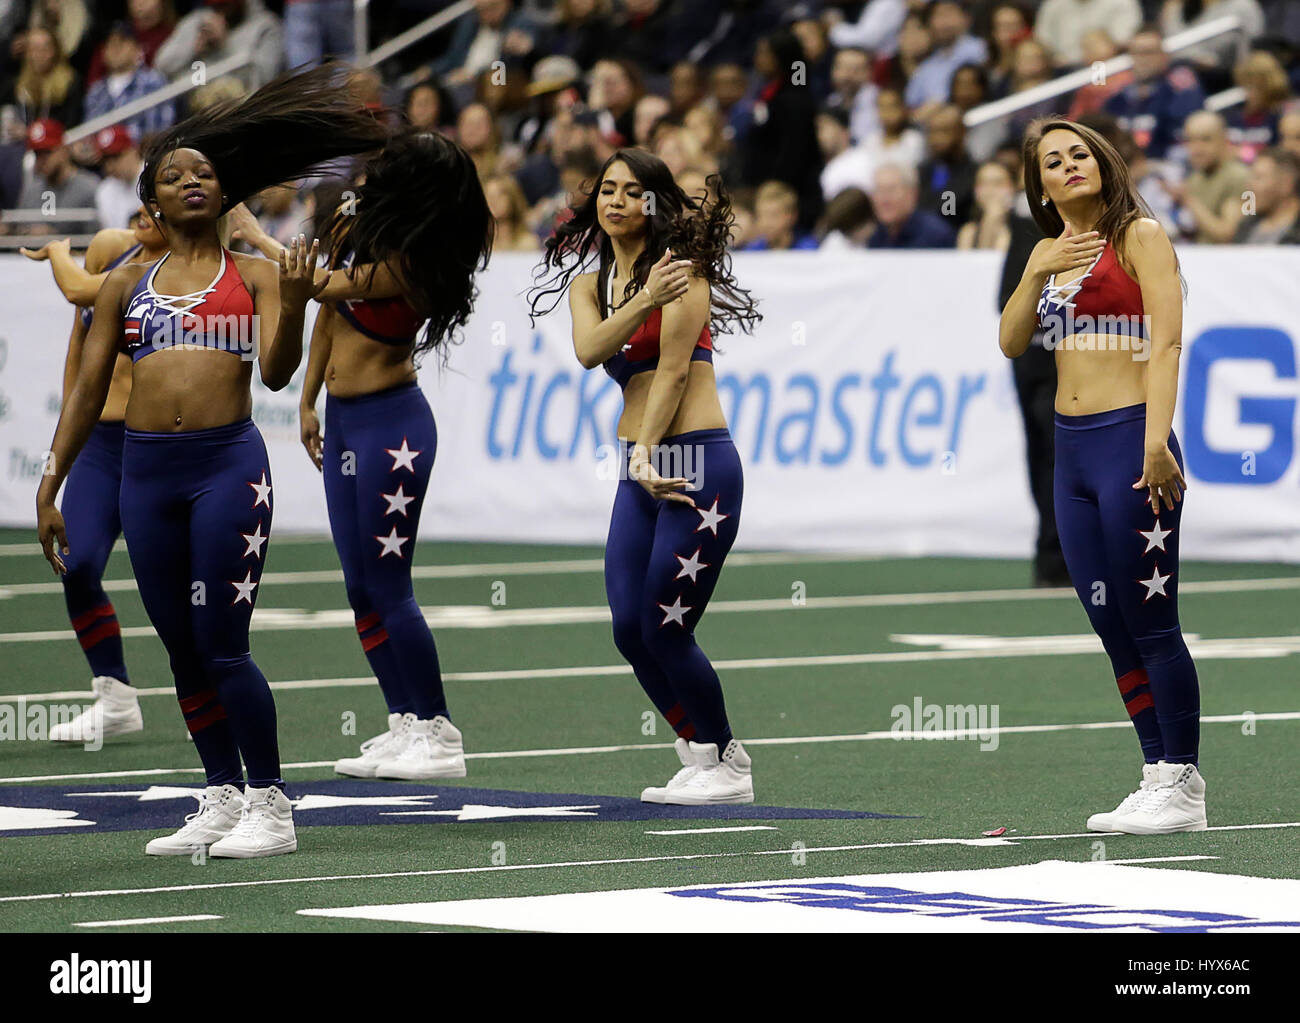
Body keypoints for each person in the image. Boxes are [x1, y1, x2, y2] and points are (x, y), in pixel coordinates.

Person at [35, 64, 388, 858]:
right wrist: (51, 482)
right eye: (173, 174)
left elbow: (273, 372)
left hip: (227, 468)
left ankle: (273, 803)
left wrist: (294, 304)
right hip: (143, 475)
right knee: (181, 647)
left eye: (203, 171)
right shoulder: (126, 283)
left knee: (223, 643)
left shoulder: (257, 274)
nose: (191, 180)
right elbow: (89, 393)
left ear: (224, 192)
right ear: (151, 202)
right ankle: (221, 793)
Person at [236, 132, 493, 781]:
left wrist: (251, 233)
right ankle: (404, 718)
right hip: (348, 422)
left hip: (393, 428)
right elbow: (328, 318)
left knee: (388, 583)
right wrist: (308, 398)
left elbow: (318, 287)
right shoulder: (364, 228)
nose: (372, 176)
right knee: (358, 585)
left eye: (390, 171)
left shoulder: (415, 259)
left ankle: (439, 730)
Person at [529, 151, 761, 804]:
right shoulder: (589, 285)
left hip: (693, 464)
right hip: (642, 467)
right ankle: (698, 749)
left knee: (664, 624)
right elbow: (589, 349)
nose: (618, 200)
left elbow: (676, 372)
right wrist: (642, 302)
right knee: (628, 628)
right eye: (608, 189)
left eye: (634, 191)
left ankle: (726, 760)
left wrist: (645, 450)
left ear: (655, 204)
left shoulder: (684, 277)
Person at [999, 118, 1205, 835]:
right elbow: (1011, 341)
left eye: (1078, 153)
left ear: (1103, 161)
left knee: (1152, 621)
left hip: (1129, 442)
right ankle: (1155, 772)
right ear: (1043, 186)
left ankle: (1183, 777)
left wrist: (1156, 441)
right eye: (1052, 162)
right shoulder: (1050, 252)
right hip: (1072, 451)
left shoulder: (1140, 236)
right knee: (1108, 620)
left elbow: (1168, 340)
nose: (1068, 165)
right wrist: (1035, 268)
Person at [20, 207, 169, 743]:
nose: (146, 213)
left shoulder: (185, 268)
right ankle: (114, 695)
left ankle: (214, 687)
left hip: (160, 445)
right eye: (147, 195)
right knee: (77, 563)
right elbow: (79, 350)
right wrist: (65, 449)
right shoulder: (113, 245)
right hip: (102, 445)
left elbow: (82, 291)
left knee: (180, 586)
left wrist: (58, 251)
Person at [82, 21, 174, 141]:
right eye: (109, 43)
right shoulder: (95, 92)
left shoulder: (154, 81)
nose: (115, 48)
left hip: (142, 156)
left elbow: (161, 131)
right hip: (101, 157)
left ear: (137, 49)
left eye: (122, 42)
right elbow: (88, 135)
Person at [1174, 110, 1251, 243]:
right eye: (1190, 140)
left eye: (1206, 139)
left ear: (1224, 140)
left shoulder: (1239, 177)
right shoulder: (1195, 178)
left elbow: (1228, 234)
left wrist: (1188, 200)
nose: (1196, 148)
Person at [15, 119, 100, 236]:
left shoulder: (89, 187)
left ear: (64, 149)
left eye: (47, 152)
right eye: (37, 153)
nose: (42, 160)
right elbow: (18, 232)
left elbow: (98, 242)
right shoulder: (32, 189)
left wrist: (55, 236)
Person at [867, 160, 957, 247]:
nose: (884, 199)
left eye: (891, 190)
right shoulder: (875, 238)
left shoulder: (937, 236)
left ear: (912, 193)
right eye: (879, 190)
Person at [1232, 147, 1300, 243]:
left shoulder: (1296, 231)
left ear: (1286, 183)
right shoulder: (1247, 224)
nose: (1249, 186)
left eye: (1258, 178)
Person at [93, 125, 144, 232]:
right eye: (105, 159)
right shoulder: (104, 190)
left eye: (116, 157)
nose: (110, 166)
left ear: (133, 150)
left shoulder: (154, 177)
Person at [957, 159, 1014, 250]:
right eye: (983, 184)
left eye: (997, 183)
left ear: (1012, 187)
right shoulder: (968, 232)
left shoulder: (1027, 229)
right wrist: (989, 223)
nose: (990, 190)